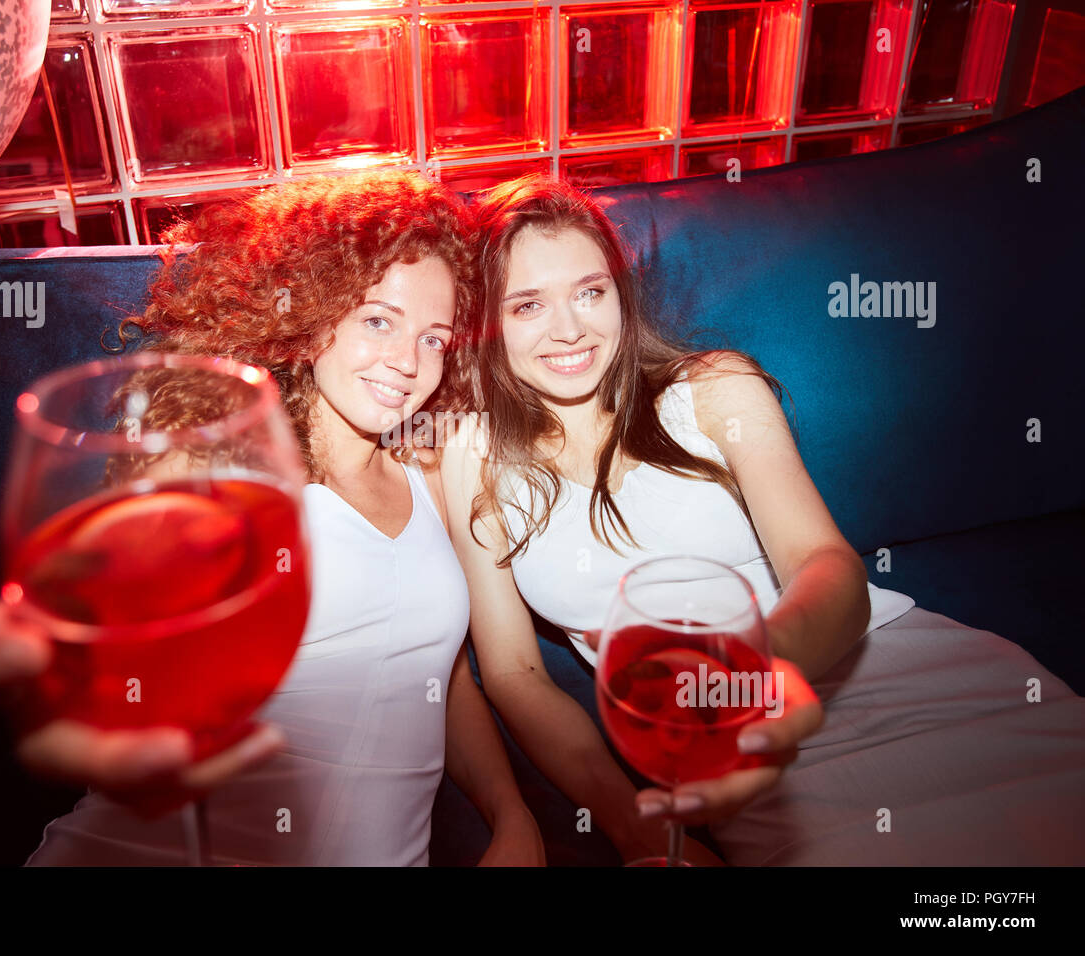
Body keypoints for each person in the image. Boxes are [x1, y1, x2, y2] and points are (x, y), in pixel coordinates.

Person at [440, 174, 1085, 865]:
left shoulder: (714, 387)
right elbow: (512, 674)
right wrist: (637, 830)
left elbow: (825, 564)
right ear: (486, 323)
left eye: (591, 292)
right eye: (528, 305)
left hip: (905, 682)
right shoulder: (471, 459)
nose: (570, 329)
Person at [0, 170, 545, 866]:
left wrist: (510, 814)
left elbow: (439, 671)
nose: (408, 362)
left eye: (434, 338)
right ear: (313, 312)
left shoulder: (431, 470)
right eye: (379, 320)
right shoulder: (220, 465)